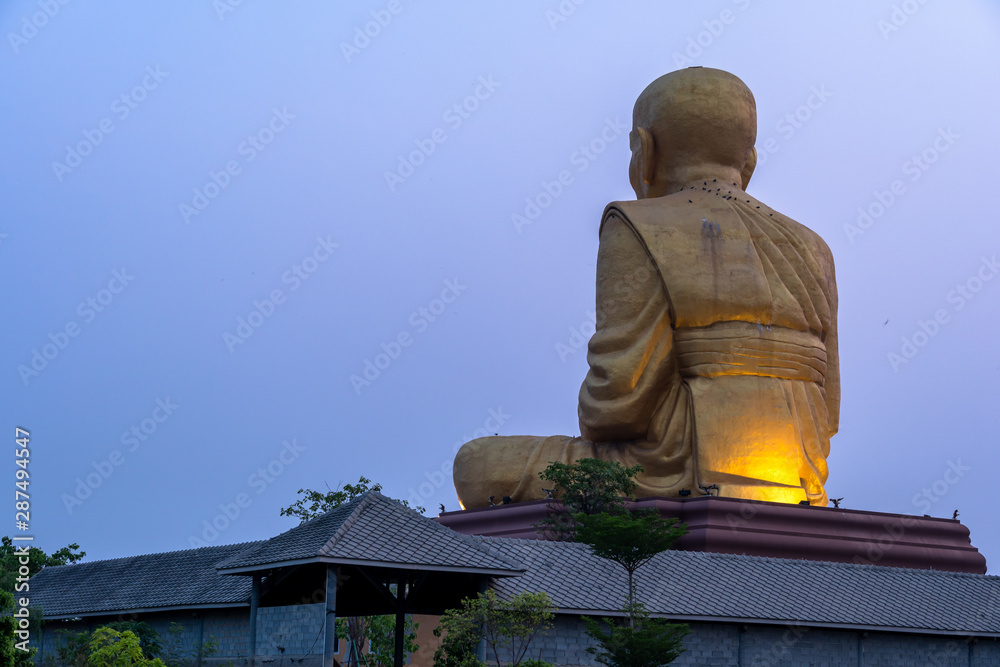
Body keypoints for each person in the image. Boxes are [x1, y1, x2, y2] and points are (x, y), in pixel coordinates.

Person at [454, 67, 839, 509]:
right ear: (748, 161)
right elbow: (828, 410)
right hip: (801, 475)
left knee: (479, 465)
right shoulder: (815, 248)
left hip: (671, 468)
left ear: (644, 149)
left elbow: (618, 402)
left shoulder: (638, 223)